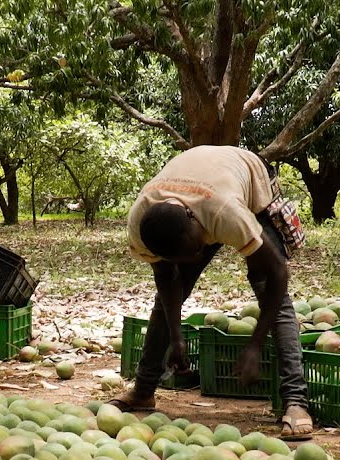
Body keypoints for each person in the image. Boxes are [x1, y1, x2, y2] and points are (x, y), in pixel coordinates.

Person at [110, 144, 314, 440]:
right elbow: (167, 281)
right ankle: (143, 389)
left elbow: (279, 274)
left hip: (248, 179)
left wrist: (255, 345)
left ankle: (295, 401)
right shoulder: (143, 222)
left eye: (196, 250)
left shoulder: (228, 214)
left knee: (269, 290)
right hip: (202, 188)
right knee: (166, 298)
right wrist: (176, 336)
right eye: (182, 258)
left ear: (196, 223)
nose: (196, 259)